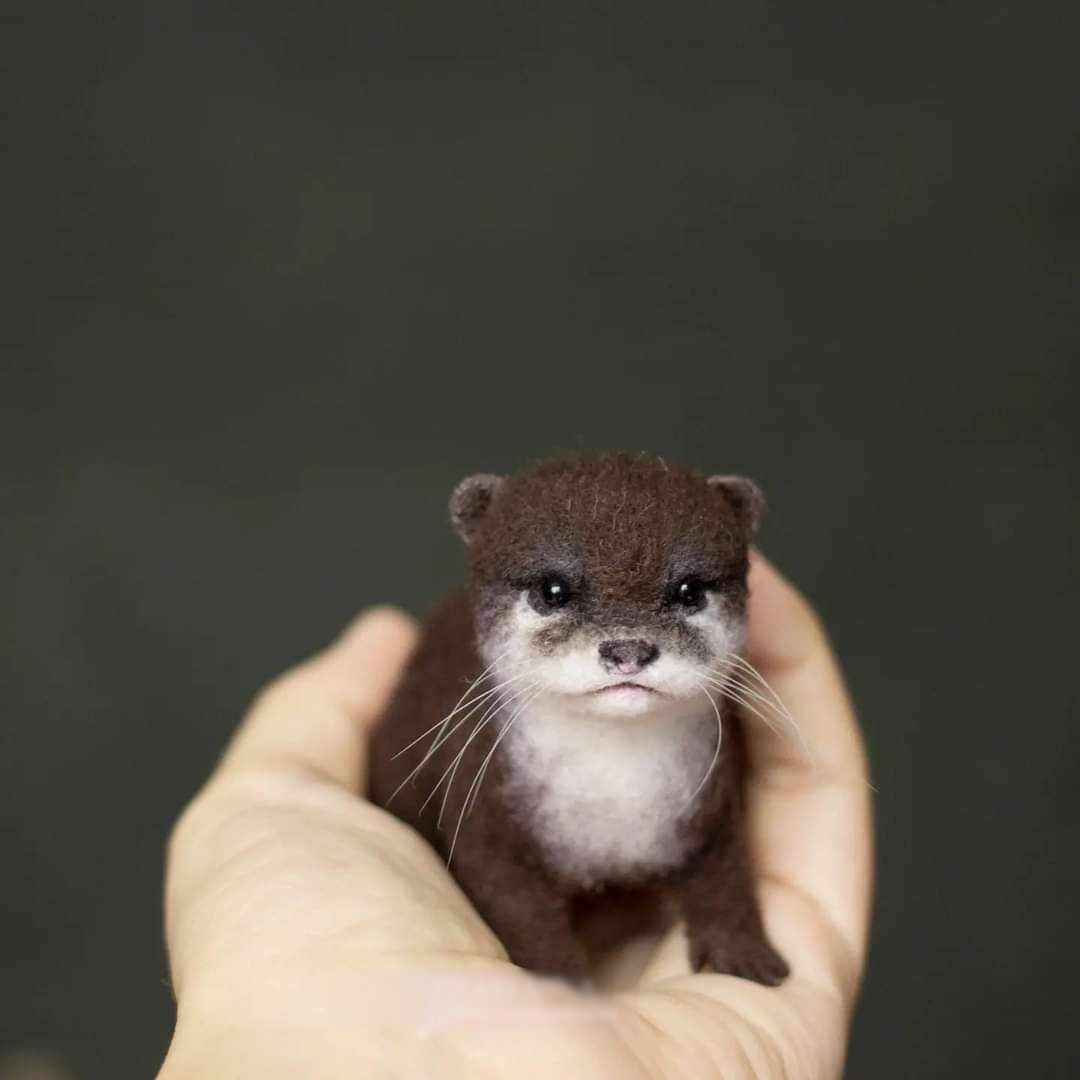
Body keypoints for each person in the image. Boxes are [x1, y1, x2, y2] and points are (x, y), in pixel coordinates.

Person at [158, 555, 873, 1077]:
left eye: (685, 596)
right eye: (556, 596)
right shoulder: (481, 742)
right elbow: (495, 861)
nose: (627, 646)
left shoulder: (708, 733)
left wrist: (730, 925)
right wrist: (552, 988)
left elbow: (712, 840)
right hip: (454, 864)